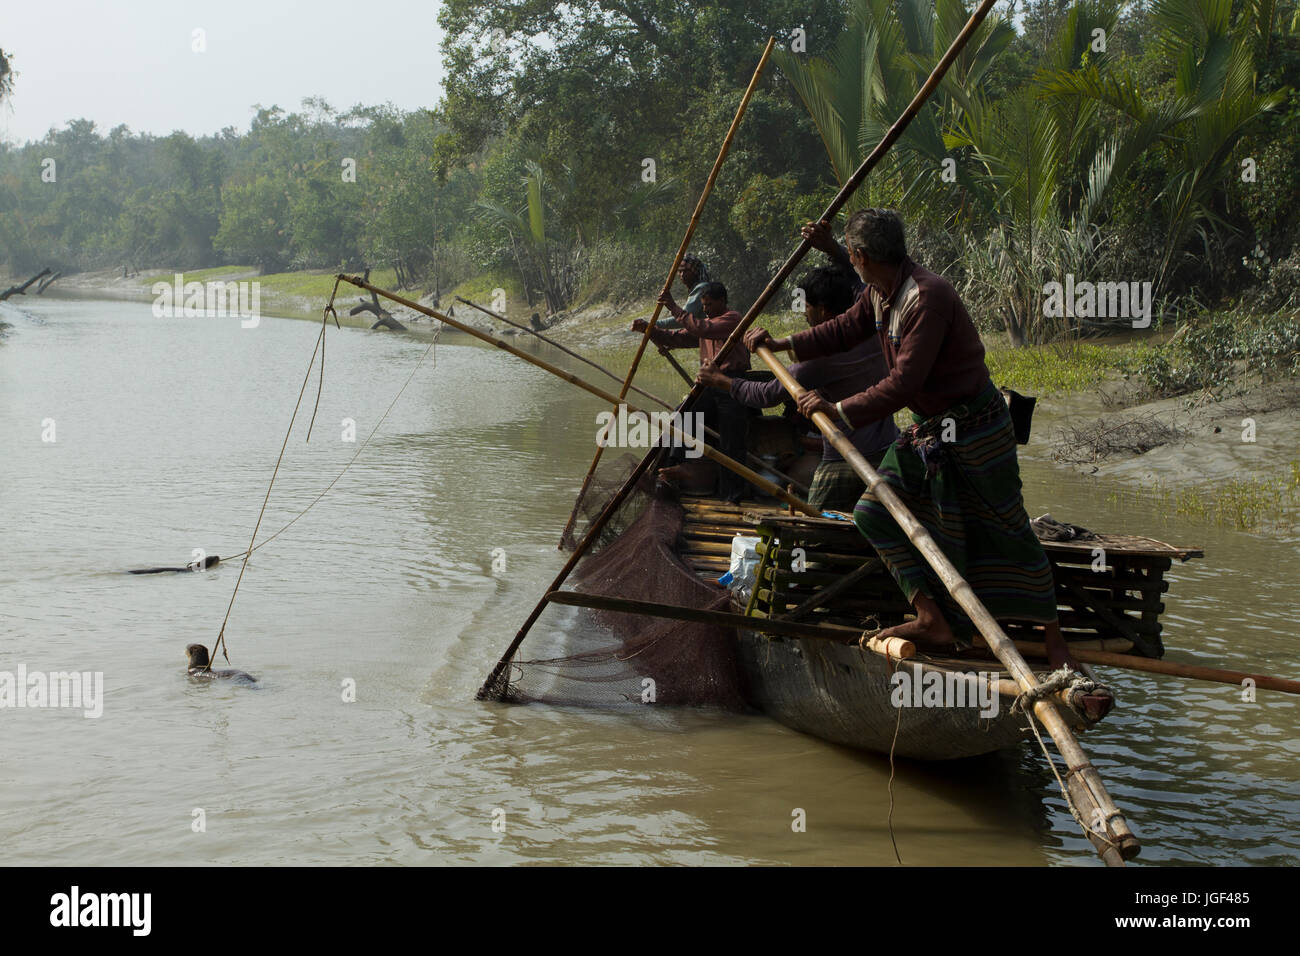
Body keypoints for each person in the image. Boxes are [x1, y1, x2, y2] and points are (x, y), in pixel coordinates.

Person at [744, 208, 1079, 671]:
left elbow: (902, 384)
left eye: (851, 256)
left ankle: (1053, 637)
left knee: (1008, 527)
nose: (851, 265)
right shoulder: (880, 292)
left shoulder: (925, 299)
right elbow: (843, 329)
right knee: (873, 513)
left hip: (976, 428)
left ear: (860, 256)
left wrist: (836, 410)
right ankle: (931, 616)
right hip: (929, 432)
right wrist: (783, 345)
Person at [697, 266, 898, 511]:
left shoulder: (819, 362)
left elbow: (767, 394)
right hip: (889, 449)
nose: (803, 312)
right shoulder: (873, 330)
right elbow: (861, 285)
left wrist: (721, 381)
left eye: (806, 306)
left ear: (823, 310)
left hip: (845, 460)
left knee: (814, 531)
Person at [632, 281, 750, 502]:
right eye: (703, 305)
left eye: (709, 304)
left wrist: (673, 307)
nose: (705, 309)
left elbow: (703, 329)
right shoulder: (703, 324)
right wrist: (649, 329)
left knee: (731, 442)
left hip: (732, 384)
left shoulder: (732, 319)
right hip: (709, 384)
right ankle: (674, 467)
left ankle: (732, 496)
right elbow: (678, 337)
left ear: (722, 301)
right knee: (681, 415)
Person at [654, 254, 711, 329]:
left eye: (686, 271)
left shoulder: (702, 288)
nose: (682, 274)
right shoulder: (694, 289)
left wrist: (653, 324)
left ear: (695, 271)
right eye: (680, 271)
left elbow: (685, 319)